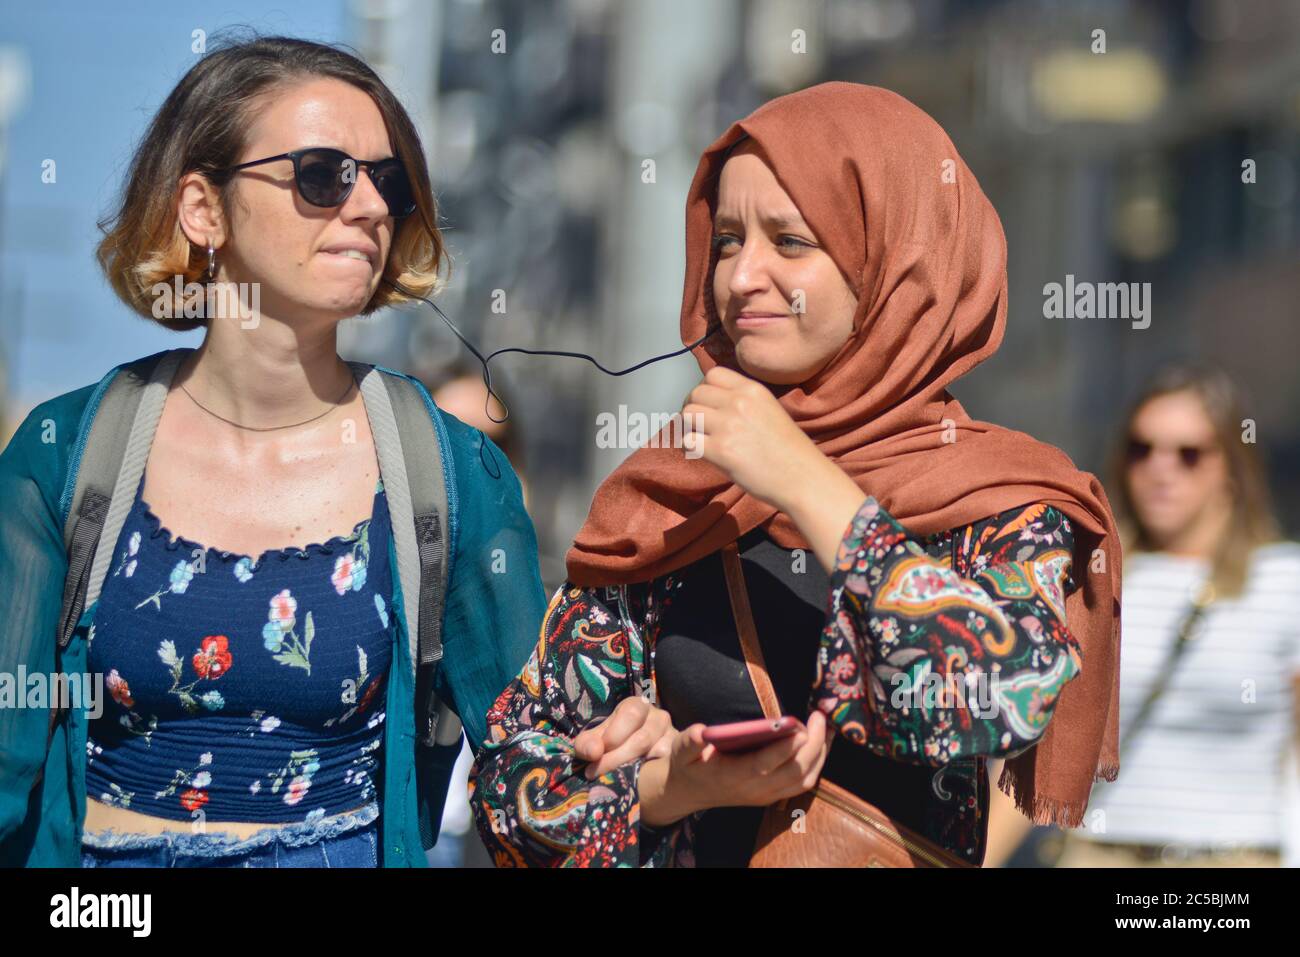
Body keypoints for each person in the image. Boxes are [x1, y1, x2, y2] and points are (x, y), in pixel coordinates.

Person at [469, 82, 1123, 867]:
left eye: (789, 241)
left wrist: (808, 484)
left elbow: (994, 701)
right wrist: (669, 788)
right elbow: (507, 789)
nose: (742, 278)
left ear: (893, 263)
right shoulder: (672, 496)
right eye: (728, 241)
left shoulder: (995, 499)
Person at [0, 35, 561, 868]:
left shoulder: (451, 475)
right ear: (203, 208)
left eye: (389, 180)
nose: (368, 205)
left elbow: (538, 771)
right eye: (322, 173)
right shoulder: (65, 455)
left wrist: (657, 775)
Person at [1038, 366, 1297, 867]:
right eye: (1141, 448)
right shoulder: (1090, 577)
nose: (1160, 469)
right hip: (1099, 855)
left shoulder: (1285, 581)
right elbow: (1042, 749)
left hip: (1232, 863)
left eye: (1189, 454)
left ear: (1232, 468)